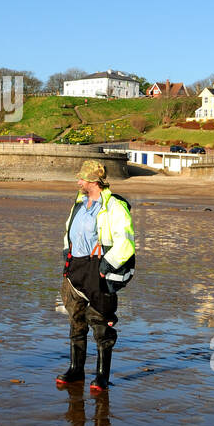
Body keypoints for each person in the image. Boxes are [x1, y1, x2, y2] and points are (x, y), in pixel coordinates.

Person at [57, 162, 135, 395]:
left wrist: (106, 266)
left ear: (93, 181)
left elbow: (126, 242)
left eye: (81, 179)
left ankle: (102, 376)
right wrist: (66, 251)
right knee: (76, 320)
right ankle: (75, 369)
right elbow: (69, 230)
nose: (78, 182)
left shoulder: (114, 206)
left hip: (98, 269)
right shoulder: (79, 203)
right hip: (74, 269)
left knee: (101, 324)